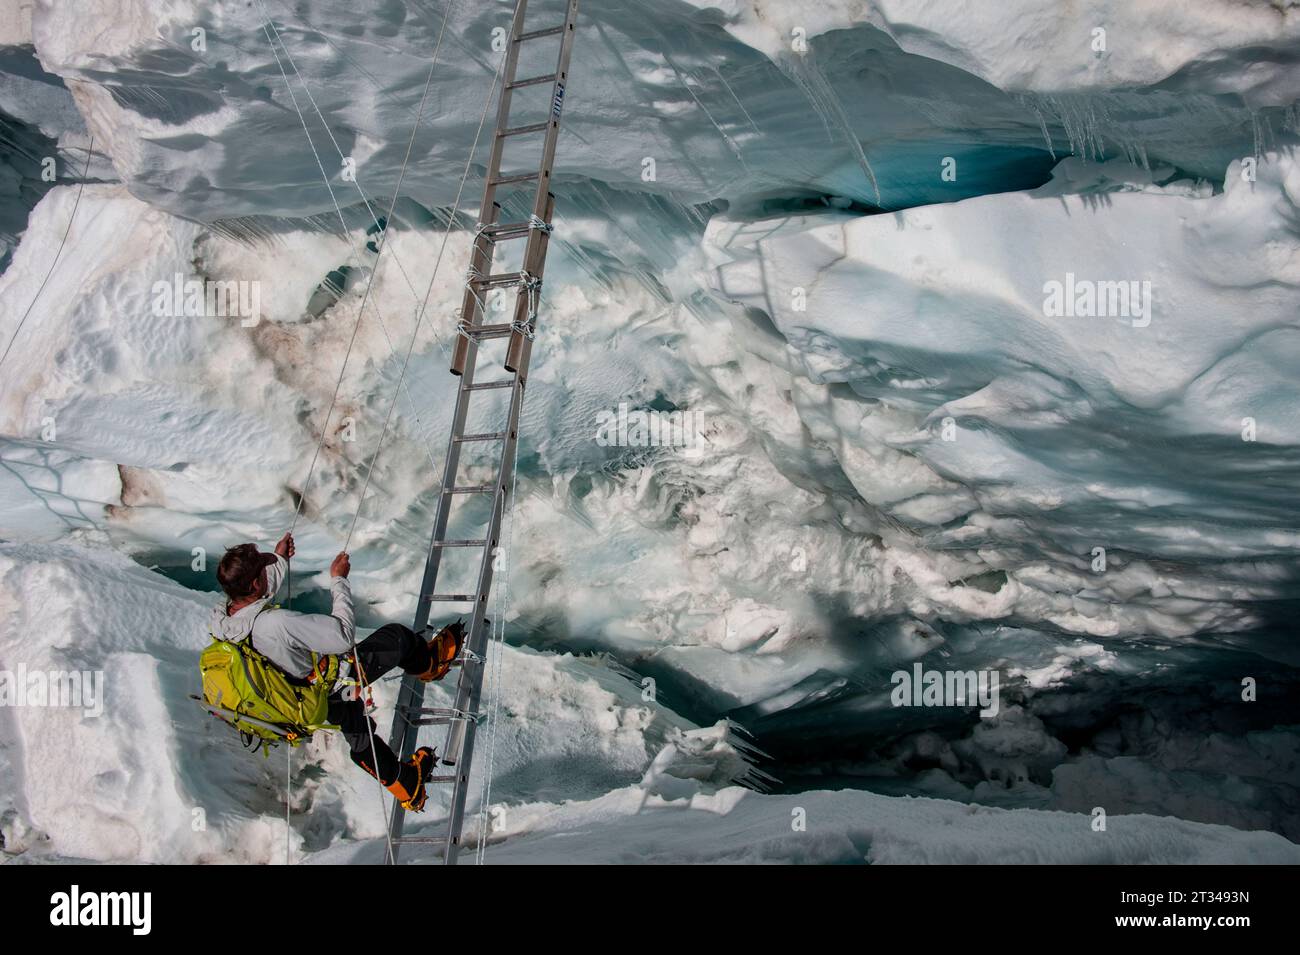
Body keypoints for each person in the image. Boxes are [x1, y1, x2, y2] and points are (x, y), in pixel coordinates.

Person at [209, 532, 462, 812]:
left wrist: (280, 558)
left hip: (299, 700)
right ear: (255, 582)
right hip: (328, 683)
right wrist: (339, 580)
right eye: (263, 568)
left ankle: (406, 785)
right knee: (397, 638)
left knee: (355, 727)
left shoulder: (224, 618)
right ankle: (429, 665)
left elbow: (259, 598)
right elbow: (341, 636)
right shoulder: (276, 623)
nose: (269, 571)